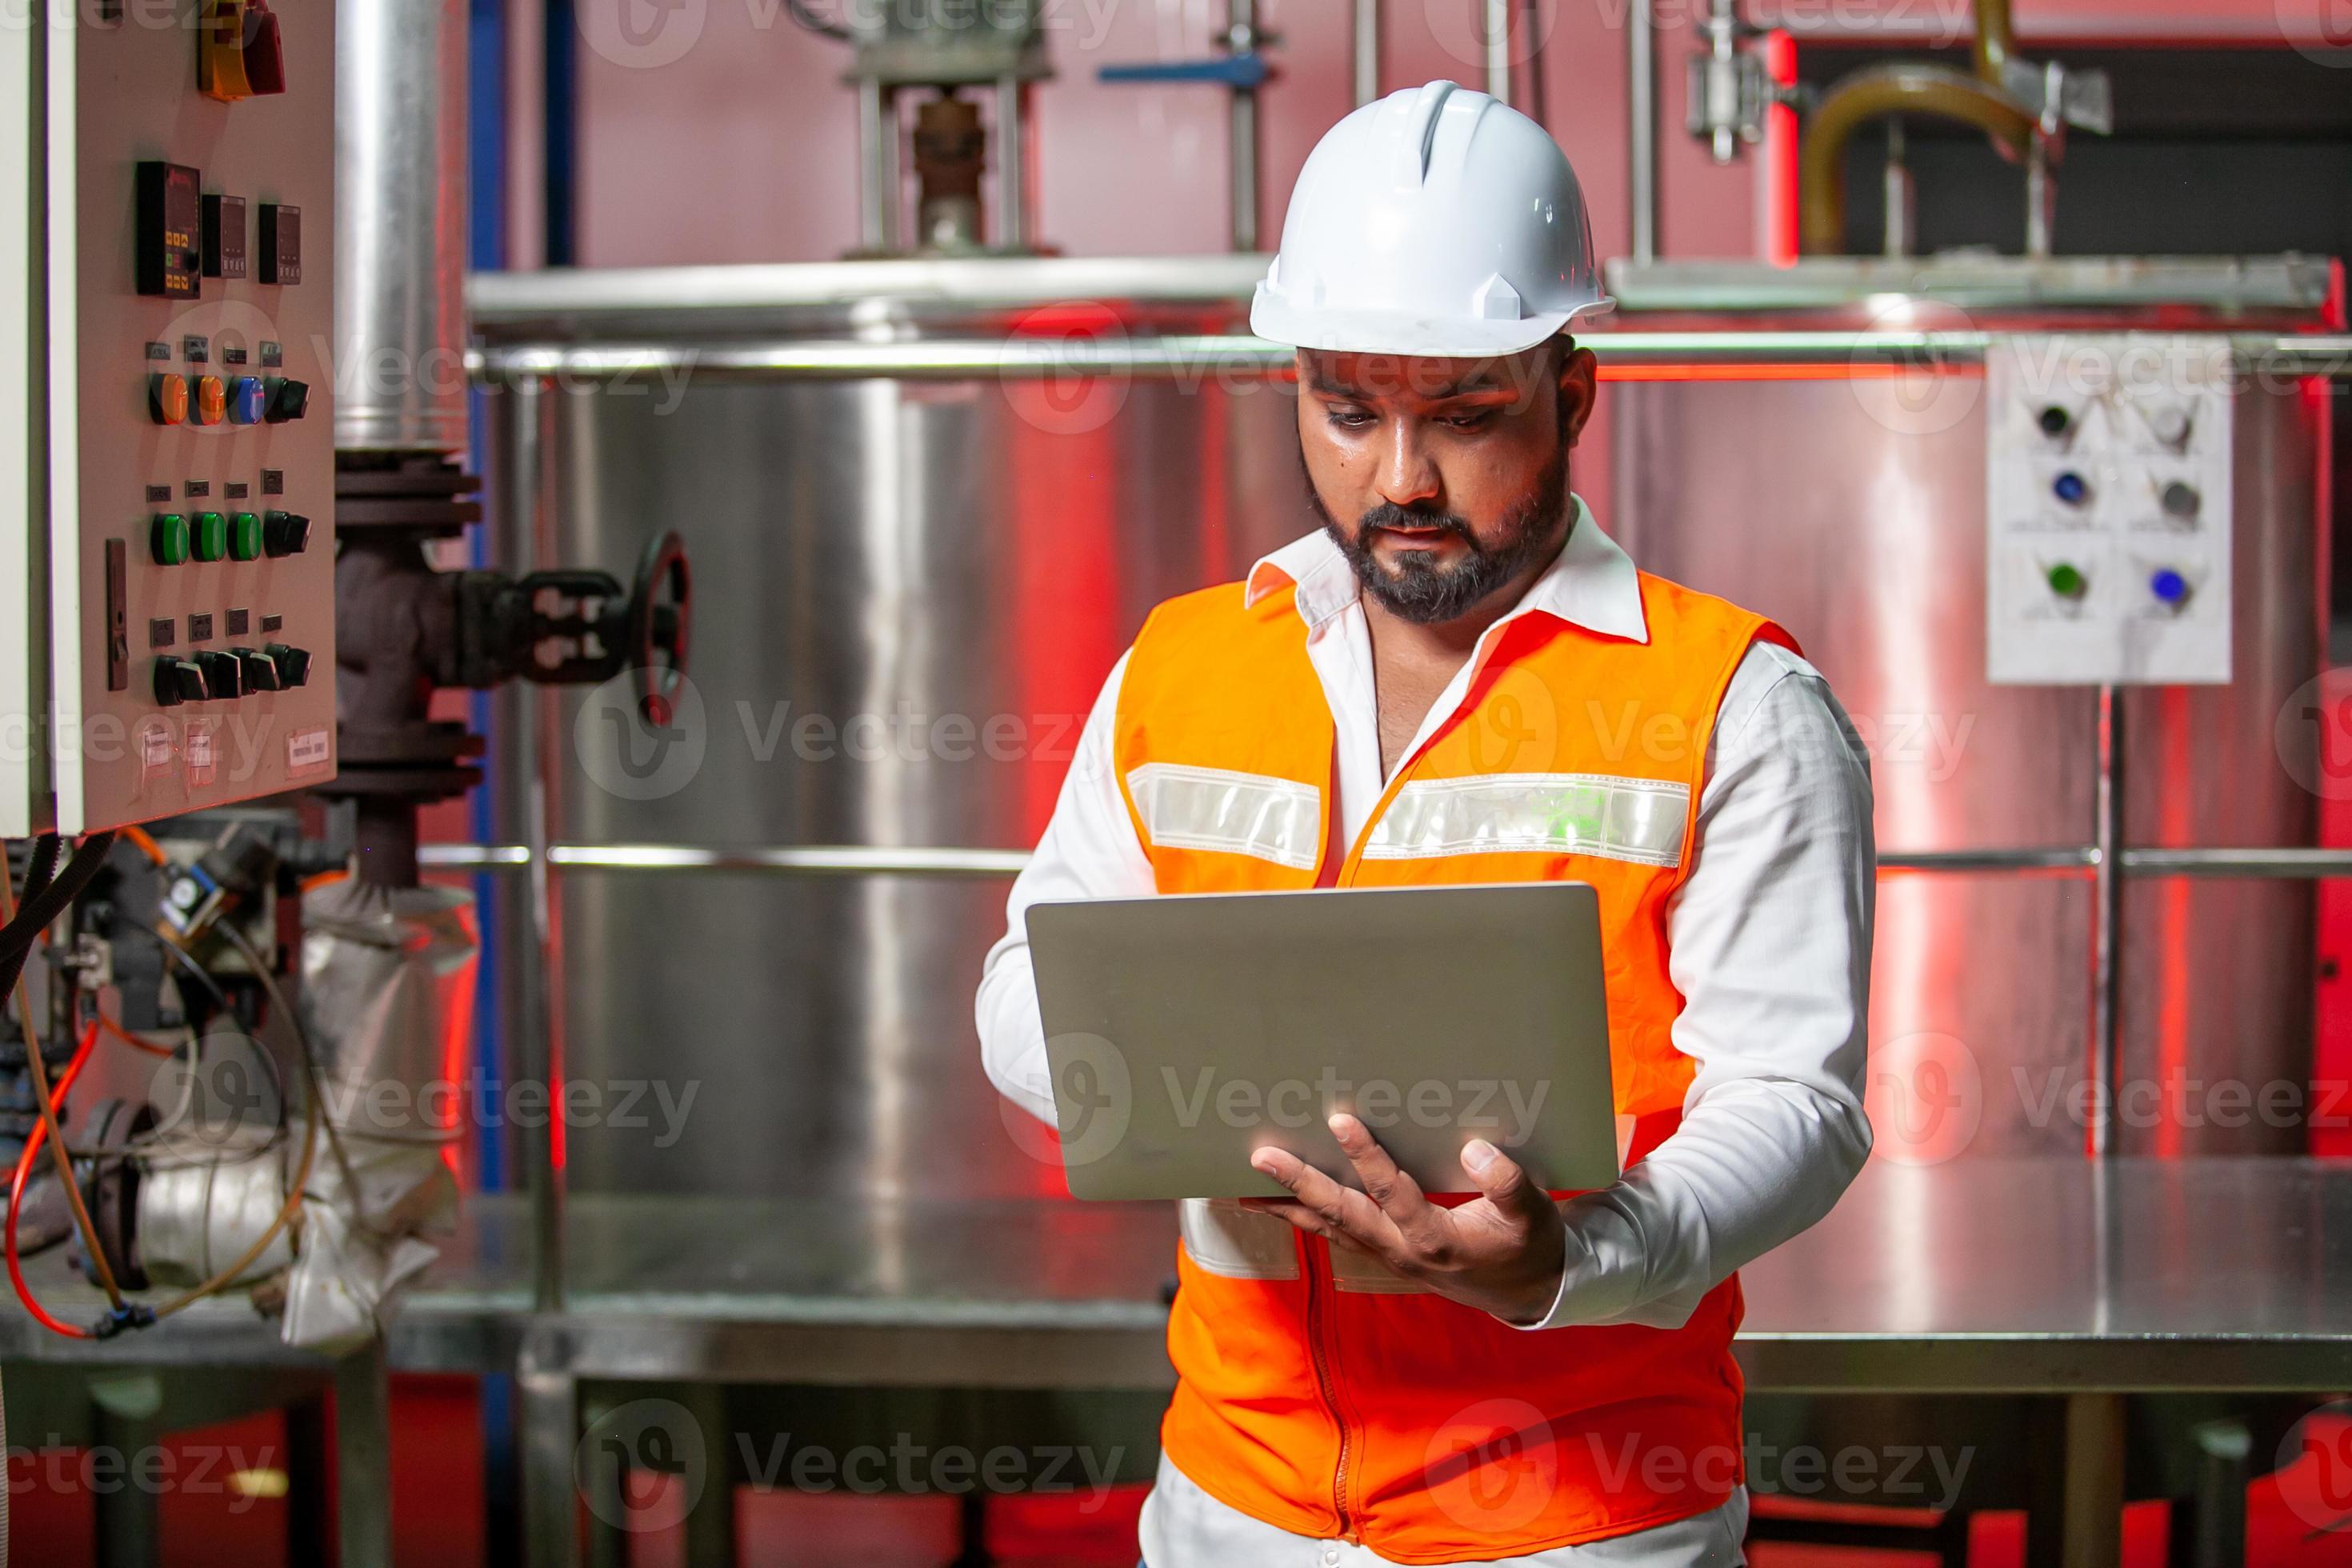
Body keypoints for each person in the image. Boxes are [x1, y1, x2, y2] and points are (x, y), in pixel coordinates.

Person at [975, 80, 1876, 1568]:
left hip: (1580, 1522)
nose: (1402, 480)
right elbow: (1028, 981)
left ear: (1571, 394)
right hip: (1231, 1500)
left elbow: (1798, 1099)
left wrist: (1572, 1259)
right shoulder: (1186, 665)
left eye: (1464, 416)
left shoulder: (1736, 704)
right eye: (1350, 412)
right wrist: (1176, 1082)